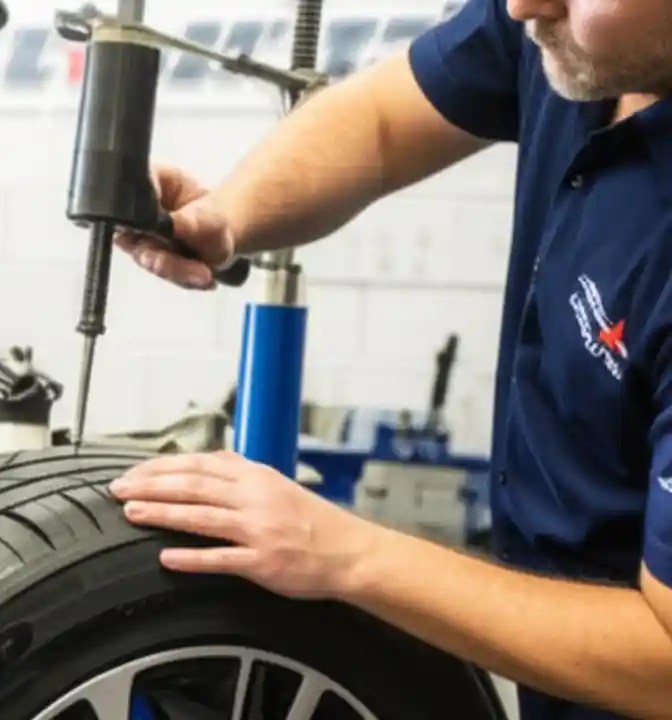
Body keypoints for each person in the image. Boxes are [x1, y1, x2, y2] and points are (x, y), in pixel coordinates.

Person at [106, 0, 672, 717]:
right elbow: (380, 122)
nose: (522, 4)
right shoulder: (571, 33)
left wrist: (348, 555)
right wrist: (227, 216)